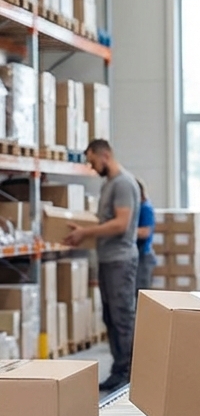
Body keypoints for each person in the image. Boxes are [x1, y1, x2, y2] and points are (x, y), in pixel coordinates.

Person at [66, 139, 141, 392]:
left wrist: (87, 232)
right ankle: (119, 369)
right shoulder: (109, 184)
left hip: (121, 260)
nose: (91, 166)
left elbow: (121, 224)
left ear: (105, 155)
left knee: (122, 317)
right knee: (110, 317)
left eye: (92, 160)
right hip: (108, 260)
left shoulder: (122, 183)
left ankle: (130, 372)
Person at [135, 180, 156, 293]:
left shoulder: (145, 208)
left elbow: (145, 232)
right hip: (138, 256)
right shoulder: (138, 208)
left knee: (141, 292)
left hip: (144, 256)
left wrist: (126, 230)